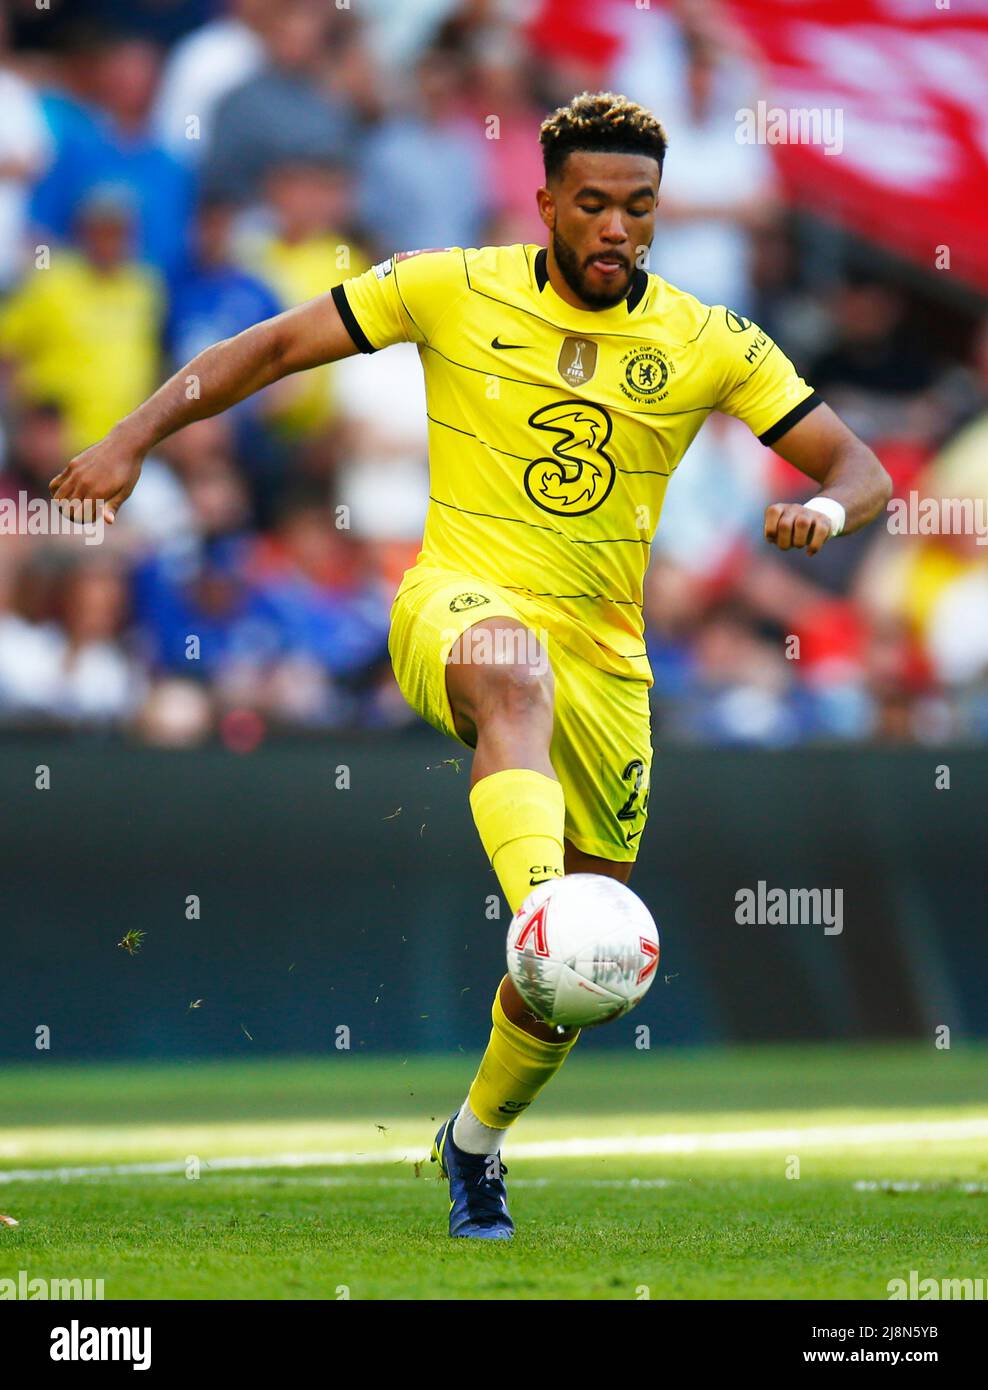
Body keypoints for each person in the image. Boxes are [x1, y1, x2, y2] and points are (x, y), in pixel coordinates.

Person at [48, 91, 891, 1240]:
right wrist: (130, 437)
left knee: (570, 987)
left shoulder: (707, 339)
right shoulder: (452, 284)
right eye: (591, 204)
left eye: (636, 209)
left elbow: (859, 467)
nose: (614, 230)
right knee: (513, 683)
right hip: (458, 603)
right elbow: (278, 345)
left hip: (610, 666)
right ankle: (541, 904)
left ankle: (474, 1143)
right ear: (544, 201)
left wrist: (827, 515)